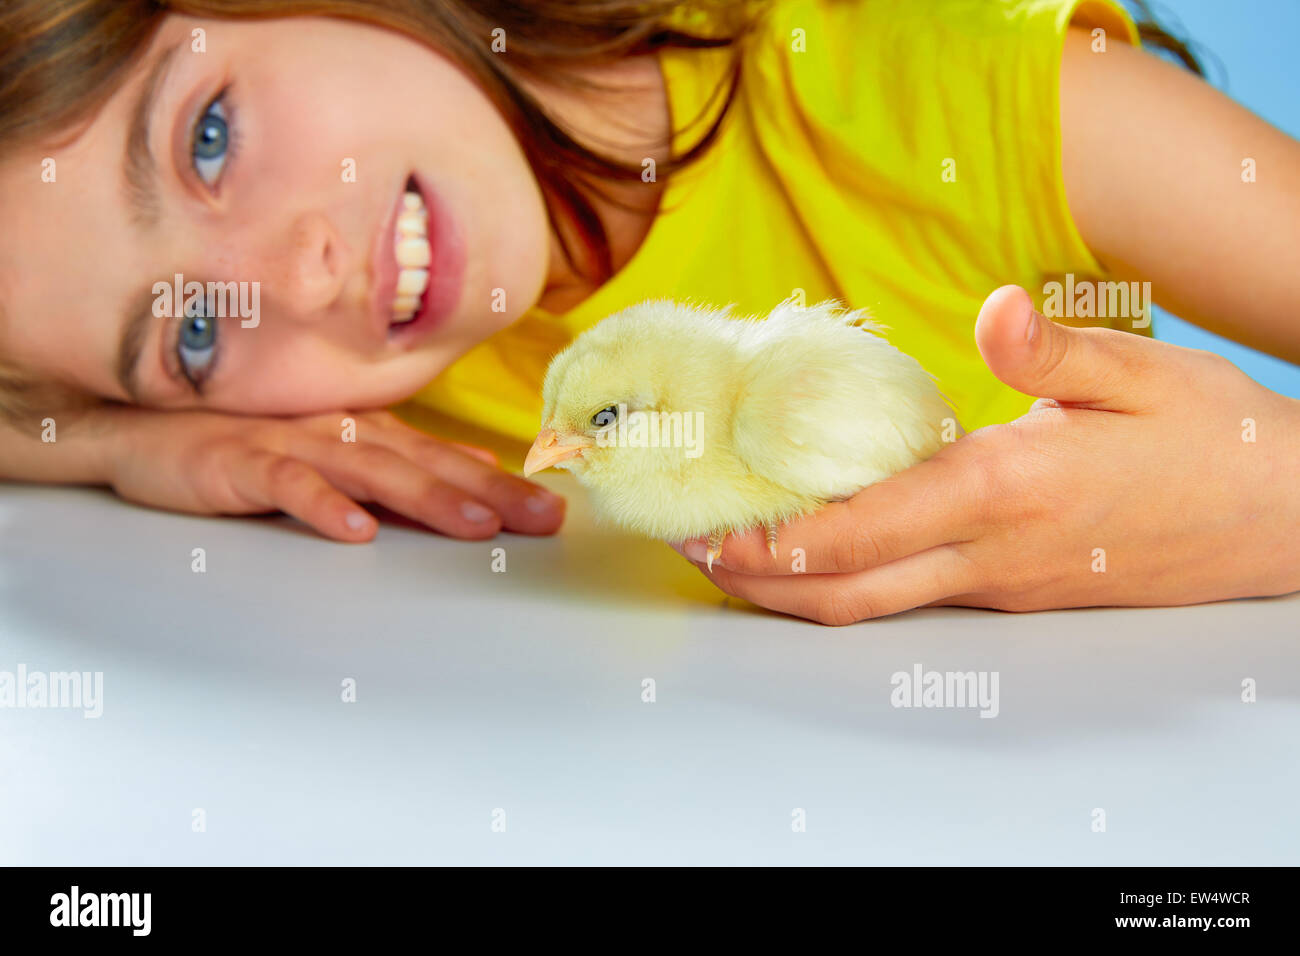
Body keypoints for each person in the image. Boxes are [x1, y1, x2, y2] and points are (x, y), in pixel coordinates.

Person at [1, 0, 1297, 625]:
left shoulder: (963, 94)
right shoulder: (368, 401)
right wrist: (109, 438)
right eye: (190, 334)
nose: (289, 282)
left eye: (209, 136)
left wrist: (1266, 510)